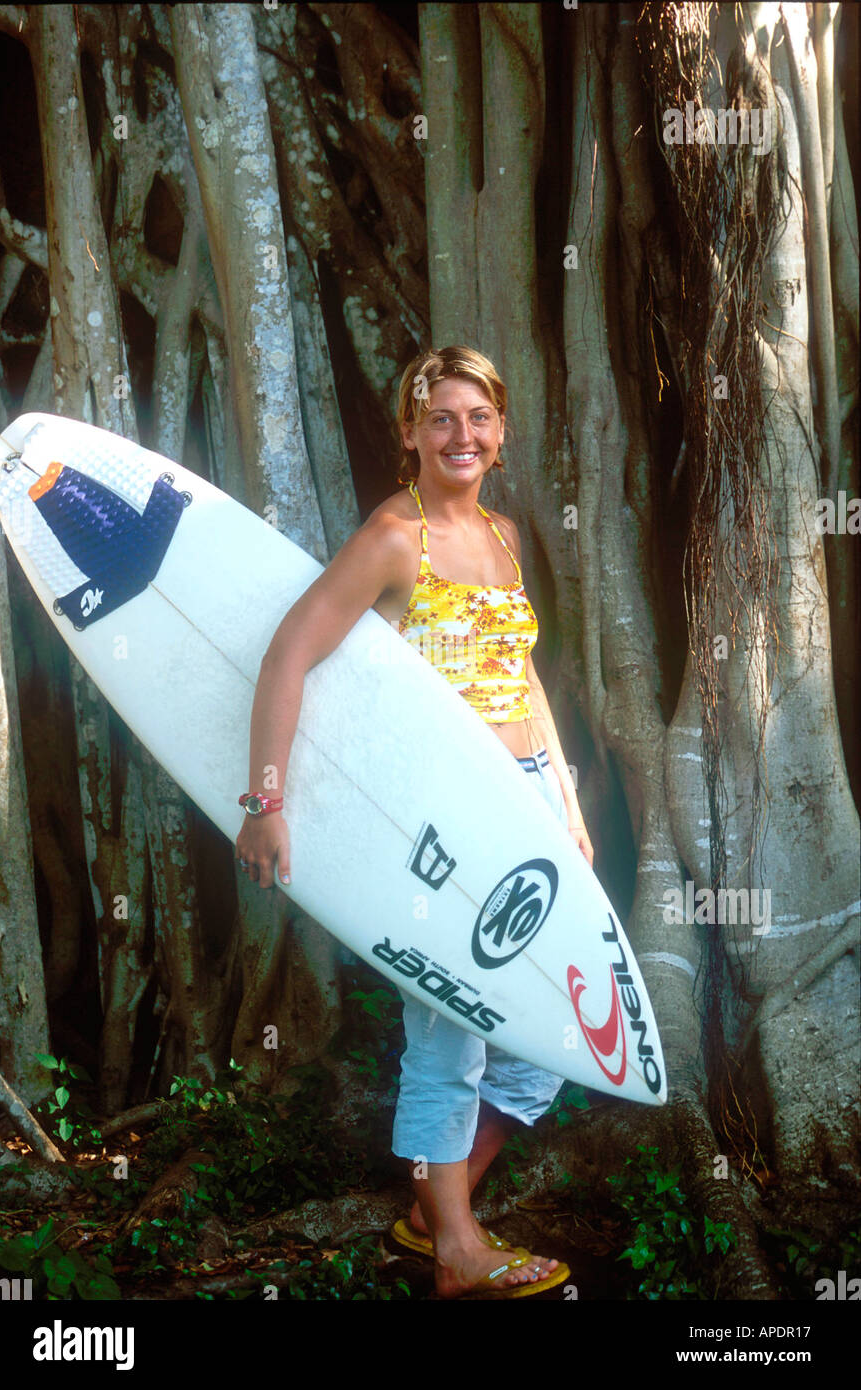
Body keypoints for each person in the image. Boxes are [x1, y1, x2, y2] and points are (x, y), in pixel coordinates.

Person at [236, 346, 593, 1298]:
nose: (461, 435)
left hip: (520, 802)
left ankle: (435, 1208)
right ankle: (457, 1253)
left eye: (478, 417)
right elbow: (288, 654)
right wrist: (265, 801)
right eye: (440, 418)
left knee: (548, 1029)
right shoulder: (397, 538)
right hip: (439, 814)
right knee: (449, 1037)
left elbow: (519, 677)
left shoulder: (509, 537)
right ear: (410, 432)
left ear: (502, 429)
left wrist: (564, 795)